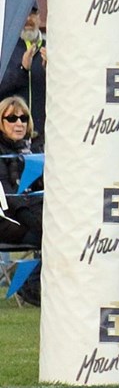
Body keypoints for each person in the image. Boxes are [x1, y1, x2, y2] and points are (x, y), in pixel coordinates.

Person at [0, 95, 44, 305]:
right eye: (12, 118)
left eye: (23, 118)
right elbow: (7, 195)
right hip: (7, 217)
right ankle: (30, 285)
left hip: (34, 211)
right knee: (50, 235)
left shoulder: (36, 149)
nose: (19, 123)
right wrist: (28, 216)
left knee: (63, 231)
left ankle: (33, 284)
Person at [0, 4, 47, 141]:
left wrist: (52, 74)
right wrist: (23, 70)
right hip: (8, 140)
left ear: (39, 17)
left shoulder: (51, 48)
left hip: (42, 139)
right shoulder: (5, 49)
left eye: (32, 14)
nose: (28, 19)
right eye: (23, 14)